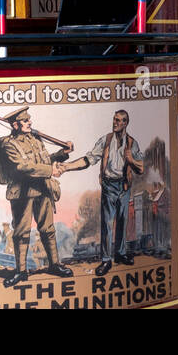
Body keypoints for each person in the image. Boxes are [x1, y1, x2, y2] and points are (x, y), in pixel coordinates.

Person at [0, 107, 74, 286]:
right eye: (25, 121)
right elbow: (22, 167)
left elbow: (44, 161)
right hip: (23, 192)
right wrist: (49, 170)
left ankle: (54, 265)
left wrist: (62, 154)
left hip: (43, 189)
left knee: (48, 229)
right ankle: (21, 271)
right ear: (15, 125)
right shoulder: (9, 145)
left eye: (29, 119)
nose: (30, 122)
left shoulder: (36, 140)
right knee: (21, 233)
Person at [61, 110, 145, 275]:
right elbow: (89, 159)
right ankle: (106, 260)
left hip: (124, 186)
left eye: (120, 121)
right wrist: (66, 167)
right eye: (114, 120)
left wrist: (131, 160)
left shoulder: (132, 143)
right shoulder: (105, 140)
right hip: (109, 186)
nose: (115, 123)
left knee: (122, 221)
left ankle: (120, 254)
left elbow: (141, 168)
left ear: (126, 123)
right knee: (107, 224)